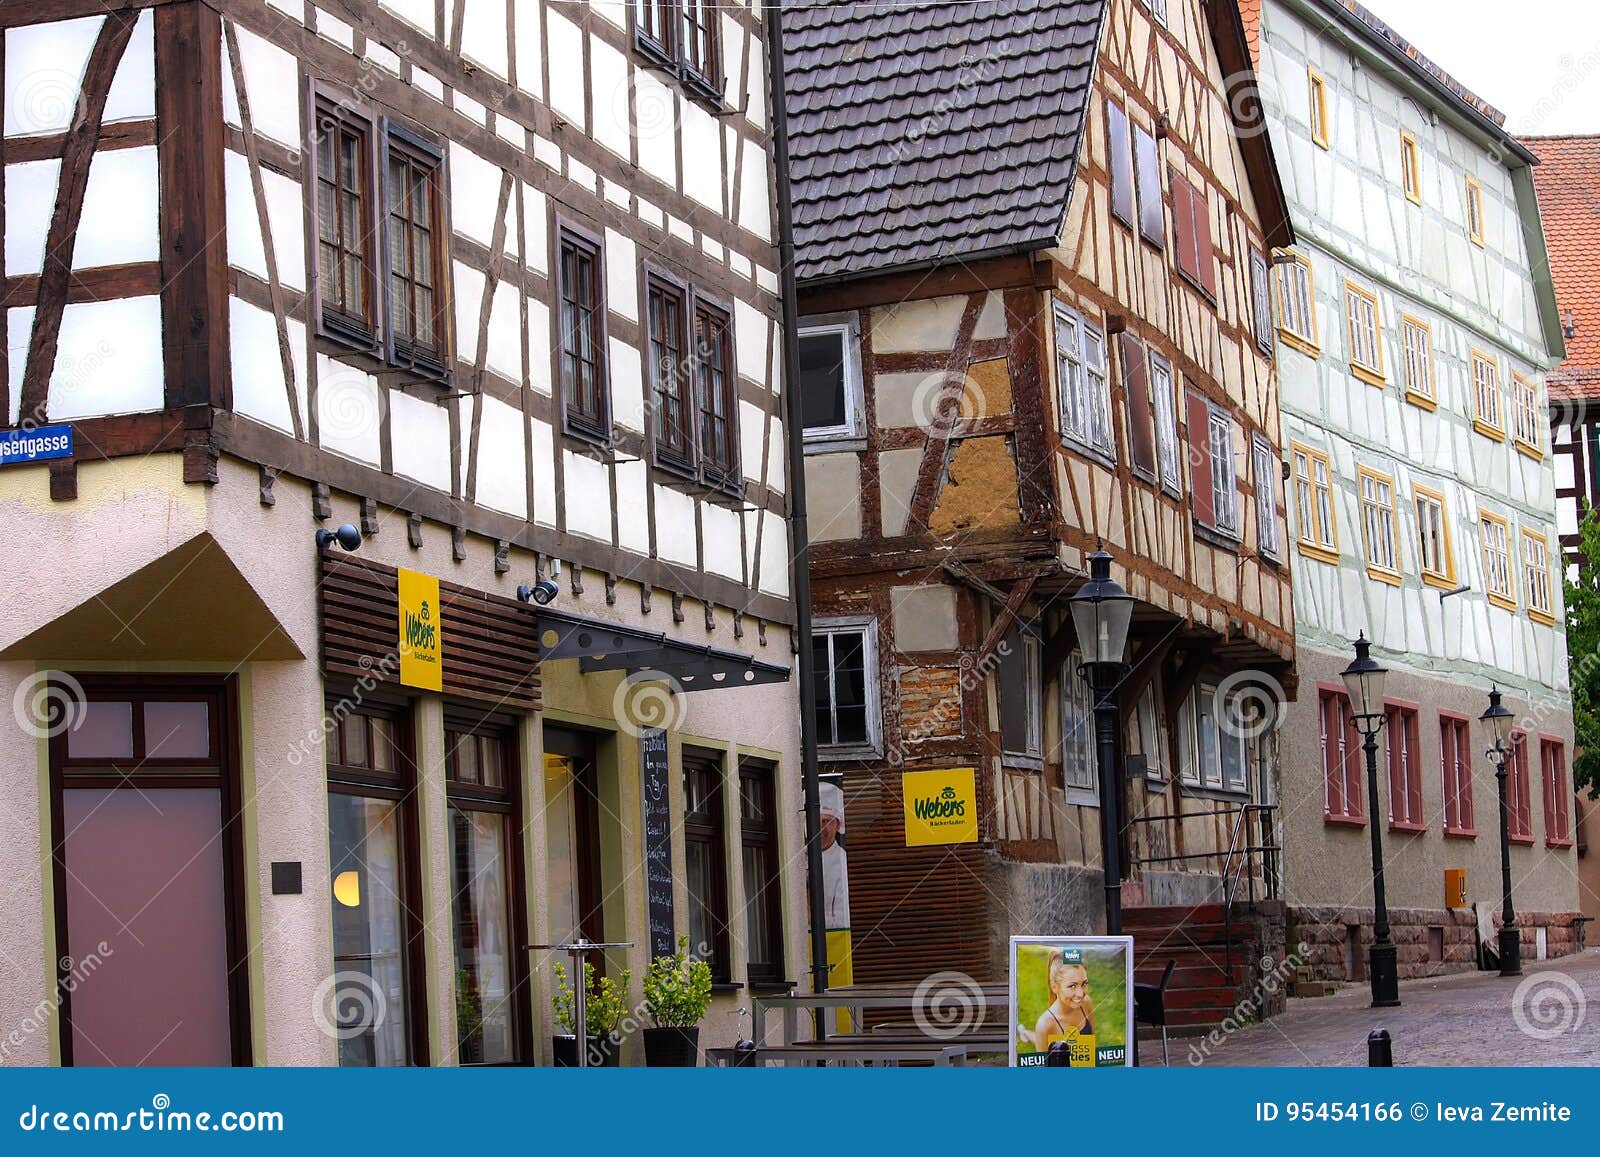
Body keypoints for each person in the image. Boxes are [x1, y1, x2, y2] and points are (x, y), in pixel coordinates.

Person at [1017, 954, 1095, 1054]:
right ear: (1054, 987)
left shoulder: (1086, 1003)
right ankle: (1024, 1032)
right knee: (1041, 1040)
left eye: (1084, 984)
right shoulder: (1045, 1025)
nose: (1080, 994)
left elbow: (1093, 1043)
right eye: (1072, 986)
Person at [819, 781, 849, 930]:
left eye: (826, 821)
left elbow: (841, 921)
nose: (821, 828)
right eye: (814, 821)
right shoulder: (797, 858)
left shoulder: (841, 861)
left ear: (838, 825)